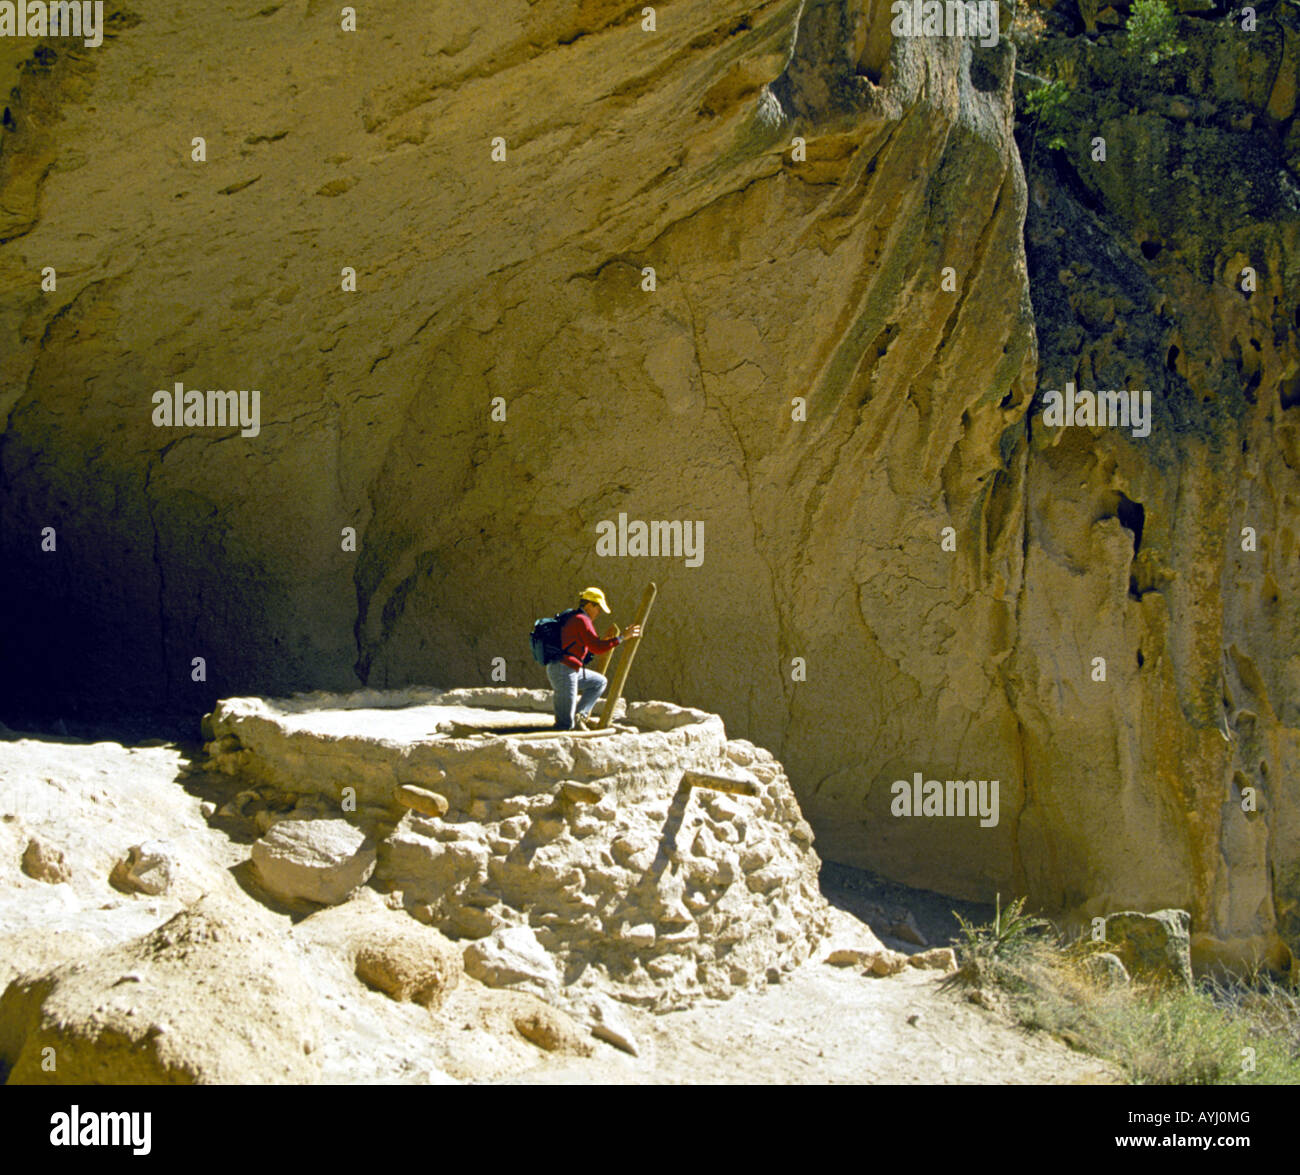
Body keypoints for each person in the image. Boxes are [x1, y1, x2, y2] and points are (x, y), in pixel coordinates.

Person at [547, 587, 641, 730]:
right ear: (590, 605)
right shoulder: (581, 620)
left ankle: (580, 715)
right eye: (598, 609)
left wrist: (606, 642)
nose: (599, 613)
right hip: (564, 670)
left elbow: (592, 646)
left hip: (566, 669)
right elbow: (597, 647)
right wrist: (622, 637)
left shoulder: (574, 617)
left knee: (599, 682)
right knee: (564, 725)